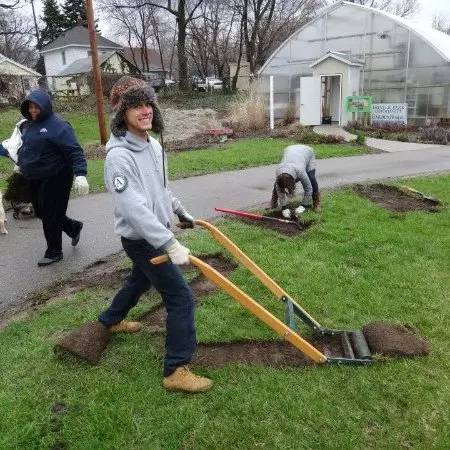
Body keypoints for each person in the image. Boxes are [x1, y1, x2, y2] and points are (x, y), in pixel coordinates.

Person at [98, 76, 213, 393]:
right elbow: (134, 209)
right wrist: (170, 243)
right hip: (141, 239)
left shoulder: (153, 145)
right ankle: (175, 369)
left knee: (140, 280)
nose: (144, 110)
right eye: (135, 105)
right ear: (122, 114)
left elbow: (160, 189)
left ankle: (110, 319)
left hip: (156, 234)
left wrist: (179, 211)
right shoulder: (119, 157)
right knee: (182, 299)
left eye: (148, 103)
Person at [17, 89, 89, 266]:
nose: (33, 110)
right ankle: (73, 227)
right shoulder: (28, 125)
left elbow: (74, 151)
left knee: (50, 214)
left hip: (57, 176)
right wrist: (20, 162)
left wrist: (80, 174)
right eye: (30, 107)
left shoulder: (59, 126)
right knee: (41, 212)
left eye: (36, 107)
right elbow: (25, 147)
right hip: (36, 176)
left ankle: (54, 251)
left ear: (45, 106)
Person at [271, 144, 321, 217]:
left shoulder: (300, 171)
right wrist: (284, 207)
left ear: (294, 181)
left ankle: (316, 203)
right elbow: (278, 189)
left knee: (311, 178)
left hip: (307, 153)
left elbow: (308, 189)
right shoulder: (279, 171)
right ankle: (274, 202)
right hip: (289, 150)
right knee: (277, 183)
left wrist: (303, 206)